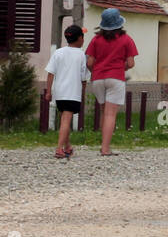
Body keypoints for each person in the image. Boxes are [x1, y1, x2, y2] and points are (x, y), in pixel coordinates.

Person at [85, 8, 138, 156]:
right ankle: (105, 148)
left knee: (103, 112)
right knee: (110, 114)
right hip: (115, 78)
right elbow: (131, 63)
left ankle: (103, 145)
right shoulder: (126, 39)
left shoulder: (96, 39)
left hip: (97, 79)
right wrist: (121, 67)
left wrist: (95, 71)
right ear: (119, 23)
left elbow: (89, 62)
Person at [44, 24, 88, 159]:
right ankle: (59, 149)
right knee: (66, 120)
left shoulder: (58, 52)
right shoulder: (82, 55)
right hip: (72, 93)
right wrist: (83, 93)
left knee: (64, 119)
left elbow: (50, 73)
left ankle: (68, 146)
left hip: (59, 93)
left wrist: (48, 91)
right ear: (80, 38)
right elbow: (84, 78)